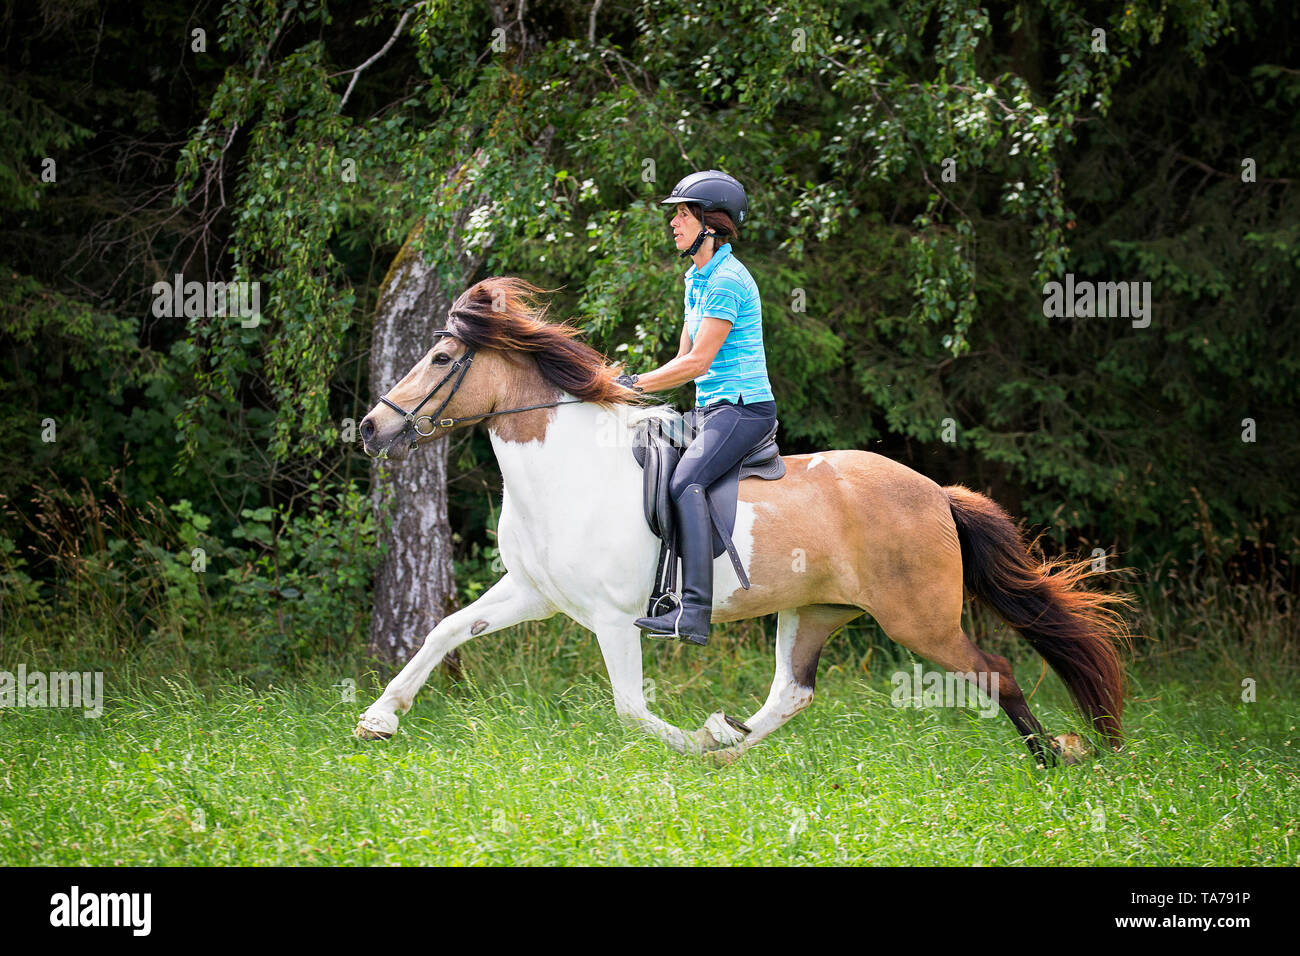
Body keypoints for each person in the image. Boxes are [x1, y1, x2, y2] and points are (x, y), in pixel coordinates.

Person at [615, 170, 778, 646]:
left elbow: (699, 361)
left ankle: (693, 612)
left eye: (683, 213)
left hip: (744, 410)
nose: (674, 223)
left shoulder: (728, 279)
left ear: (711, 222)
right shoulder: (696, 278)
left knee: (687, 481)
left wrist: (633, 383)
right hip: (709, 410)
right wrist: (636, 390)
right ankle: (658, 589)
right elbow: (684, 358)